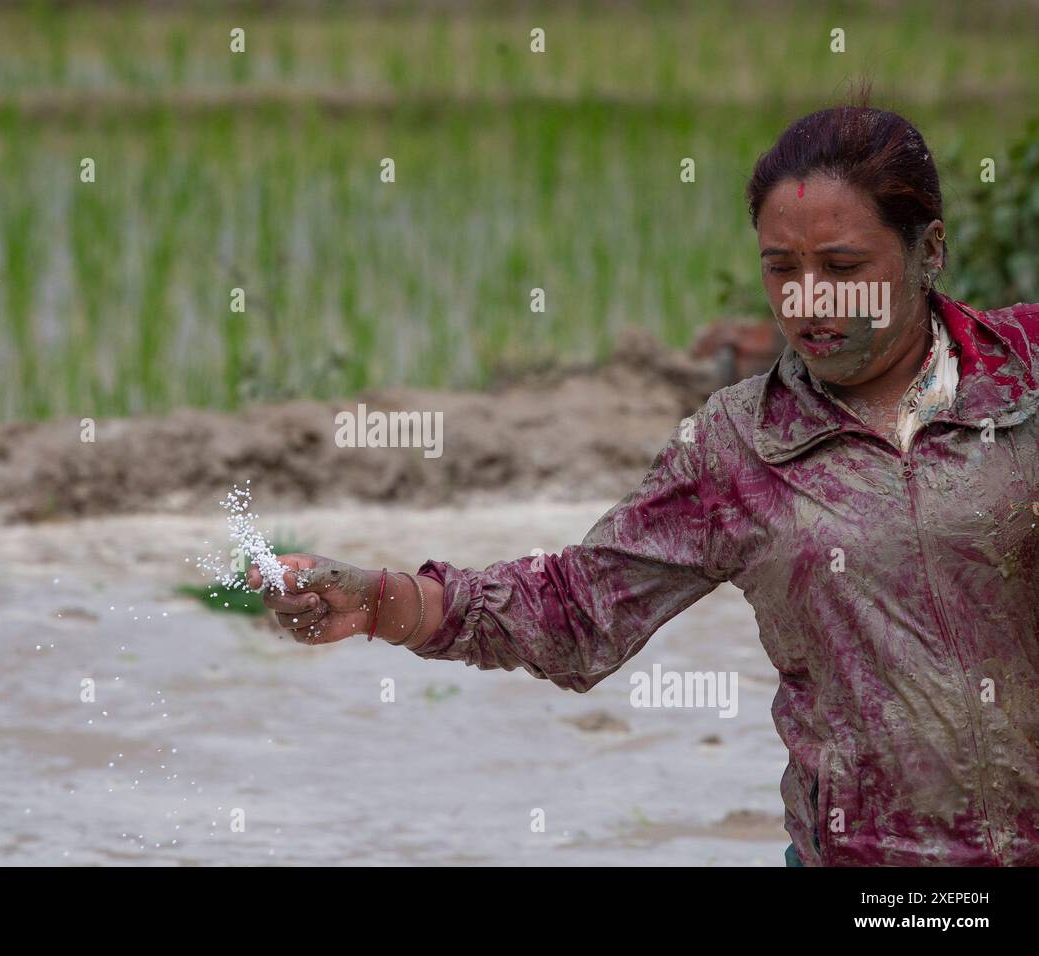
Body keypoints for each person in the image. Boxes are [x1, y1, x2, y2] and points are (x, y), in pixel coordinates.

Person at [246, 103, 1039, 866]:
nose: (809, 301)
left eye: (843, 267)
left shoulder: (1028, 374)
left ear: (929, 250)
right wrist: (392, 601)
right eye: (780, 269)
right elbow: (580, 609)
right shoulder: (739, 447)